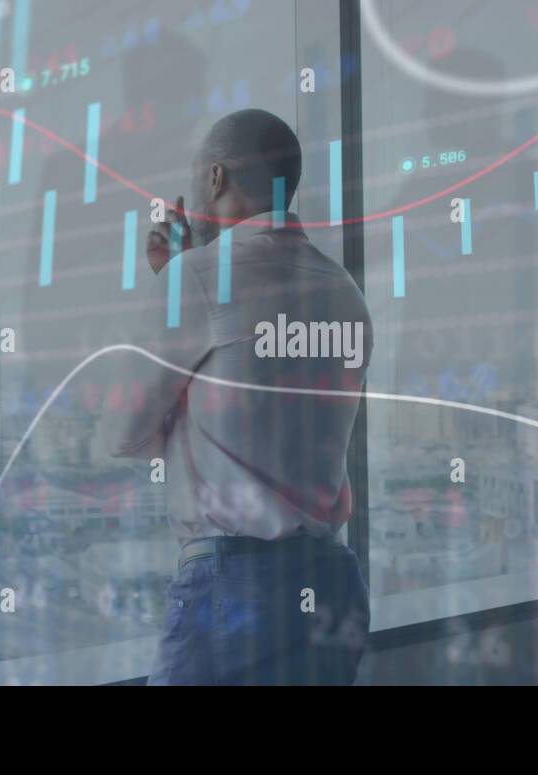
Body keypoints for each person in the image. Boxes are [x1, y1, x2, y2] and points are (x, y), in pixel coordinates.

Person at [97, 109, 373, 685]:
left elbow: (118, 433)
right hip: (331, 583)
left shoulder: (196, 278)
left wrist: (178, 279)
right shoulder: (344, 289)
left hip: (235, 585)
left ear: (216, 178)